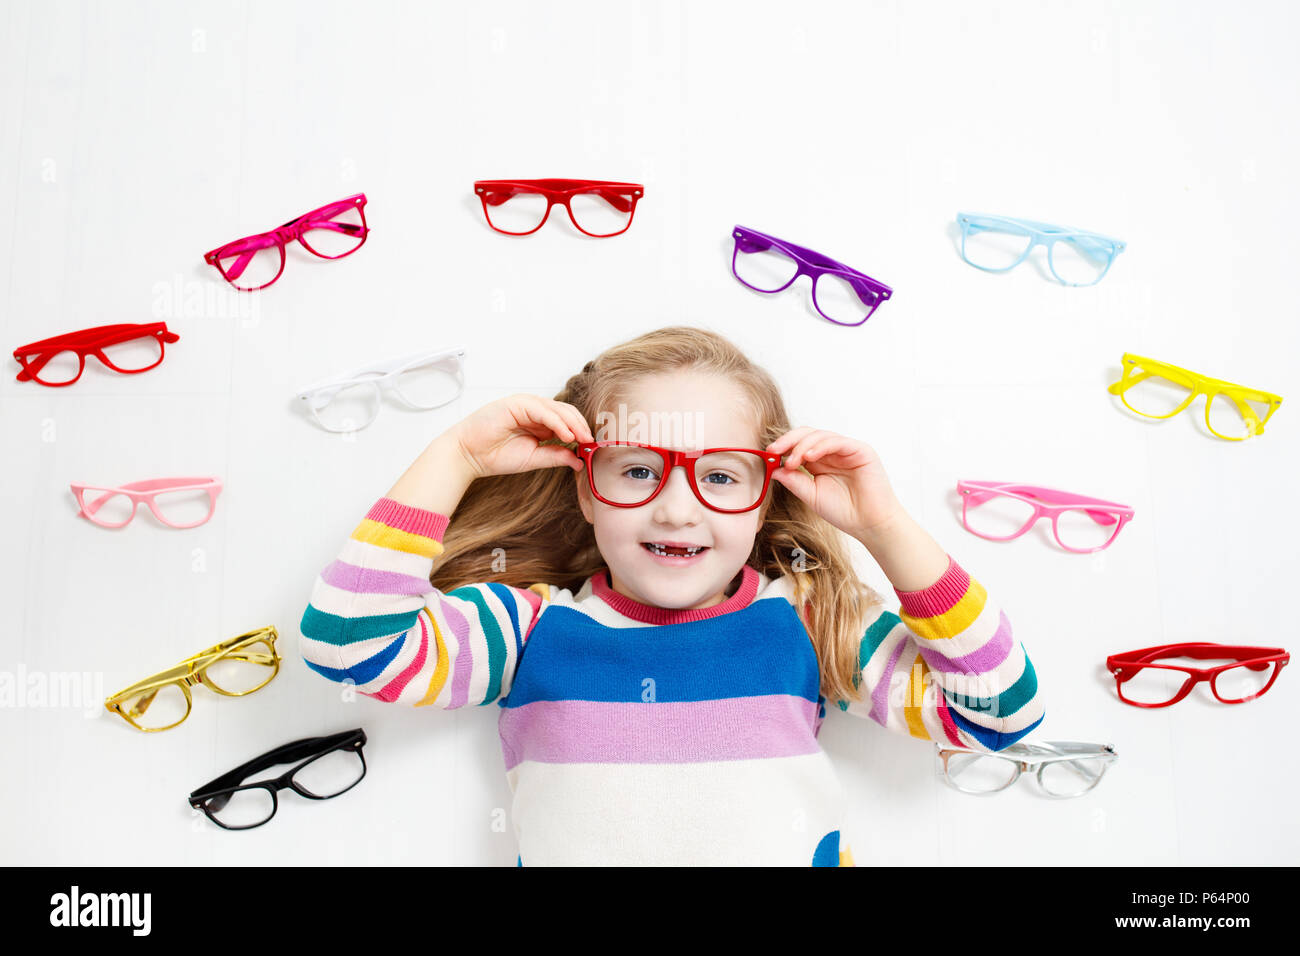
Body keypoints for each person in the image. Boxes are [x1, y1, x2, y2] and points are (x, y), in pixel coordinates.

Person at [299, 326, 1044, 865]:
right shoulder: (529, 629)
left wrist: (884, 526)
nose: (677, 509)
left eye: (719, 476)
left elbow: (1001, 716)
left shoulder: (808, 621)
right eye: (635, 470)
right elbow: (347, 647)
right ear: (586, 492)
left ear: (762, 499)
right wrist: (455, 456)